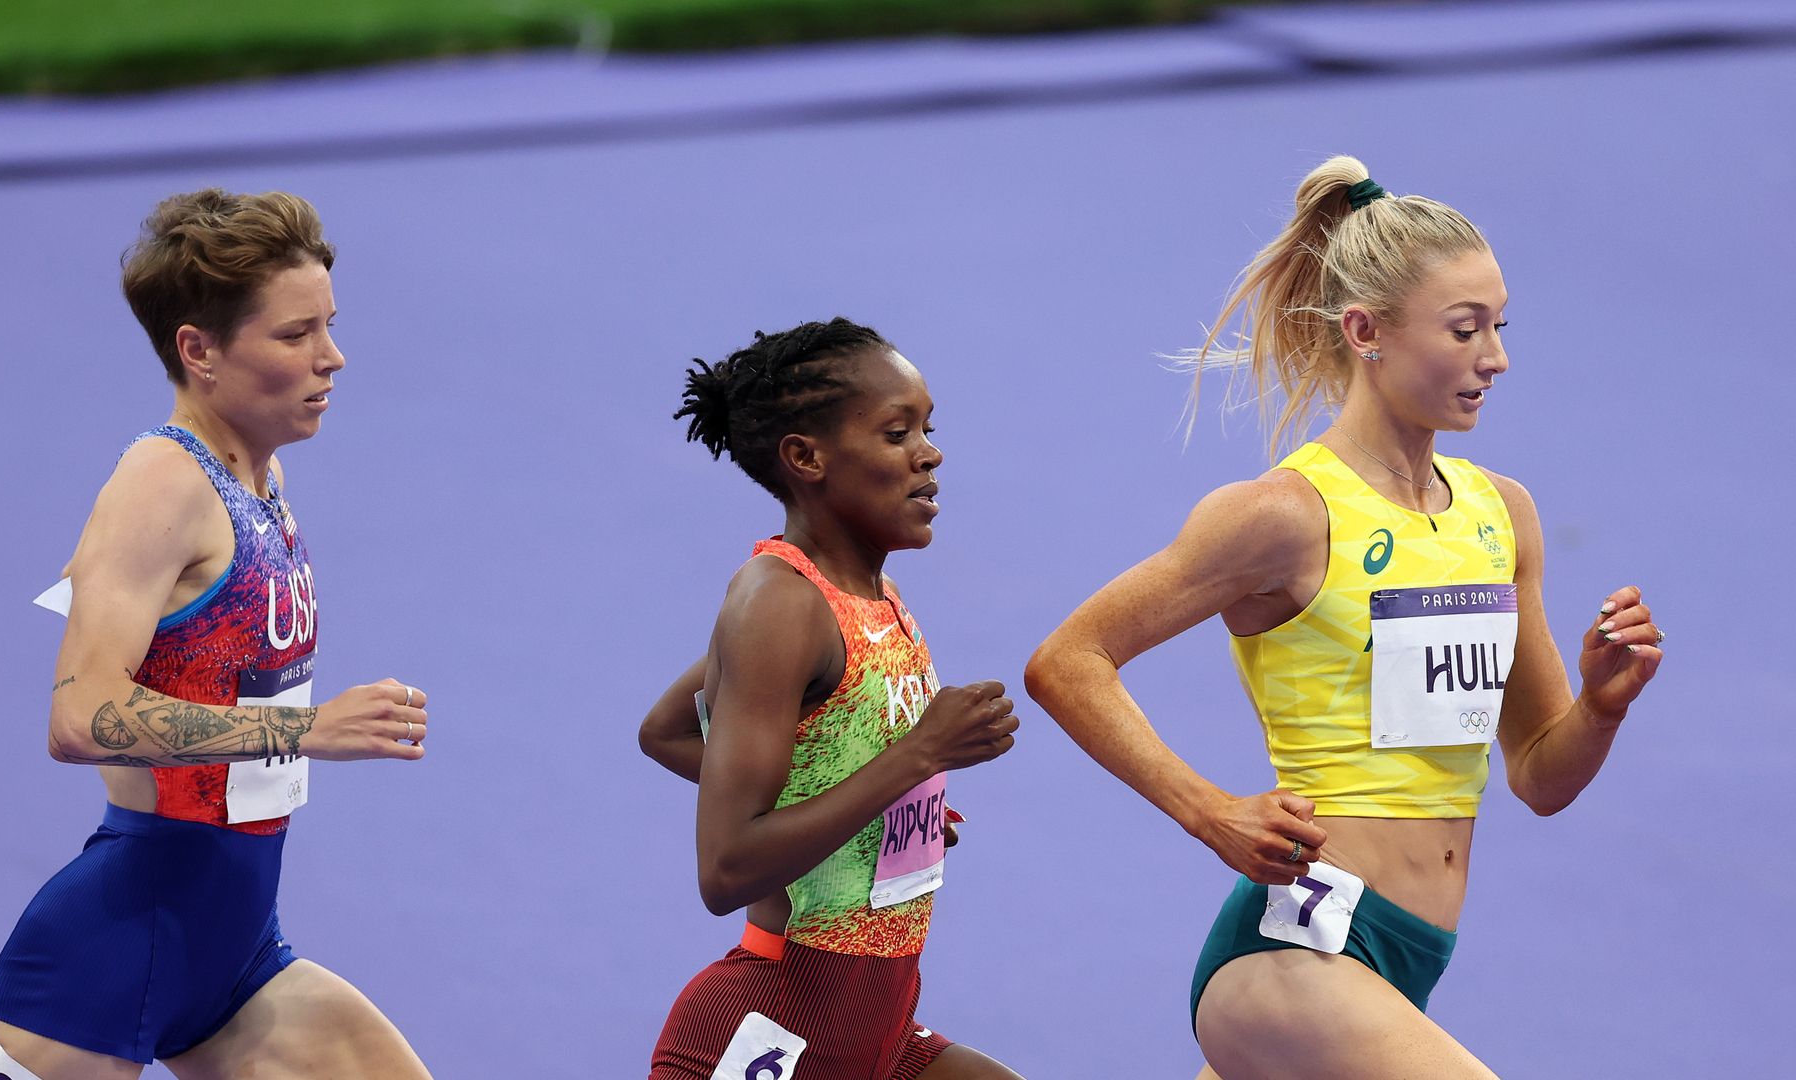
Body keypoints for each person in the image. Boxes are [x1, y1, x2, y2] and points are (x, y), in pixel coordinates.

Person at [1024, 157, 1664, 1079]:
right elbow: (1068, 659)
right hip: (1297, 954)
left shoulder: (1503, 516)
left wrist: (1601, 708)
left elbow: (1538, 774)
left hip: (1408, 961)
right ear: (1366, 331)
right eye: (1465, 329)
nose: (1495, 357)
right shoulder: (1284, 516)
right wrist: (1209, 811)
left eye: (1500, 326)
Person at [0, 190, 435, 1080]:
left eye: (329, 326)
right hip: (119, 947)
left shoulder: (260, 477)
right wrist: (306, 729)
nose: (331, 357)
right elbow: (80, 717)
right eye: (295, 335)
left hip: (235, 952)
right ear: (199, 350)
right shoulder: (163, 482)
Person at [643, 318, 1025, 1080]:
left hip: (876, 1033)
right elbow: (726, 868)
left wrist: (873, 812)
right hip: (775, 1030)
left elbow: (669, 730)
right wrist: (918, 756)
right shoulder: (778, 603)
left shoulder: (872, 596)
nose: (929, 453)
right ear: (806, 458)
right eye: (896, 433)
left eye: (928, 428)